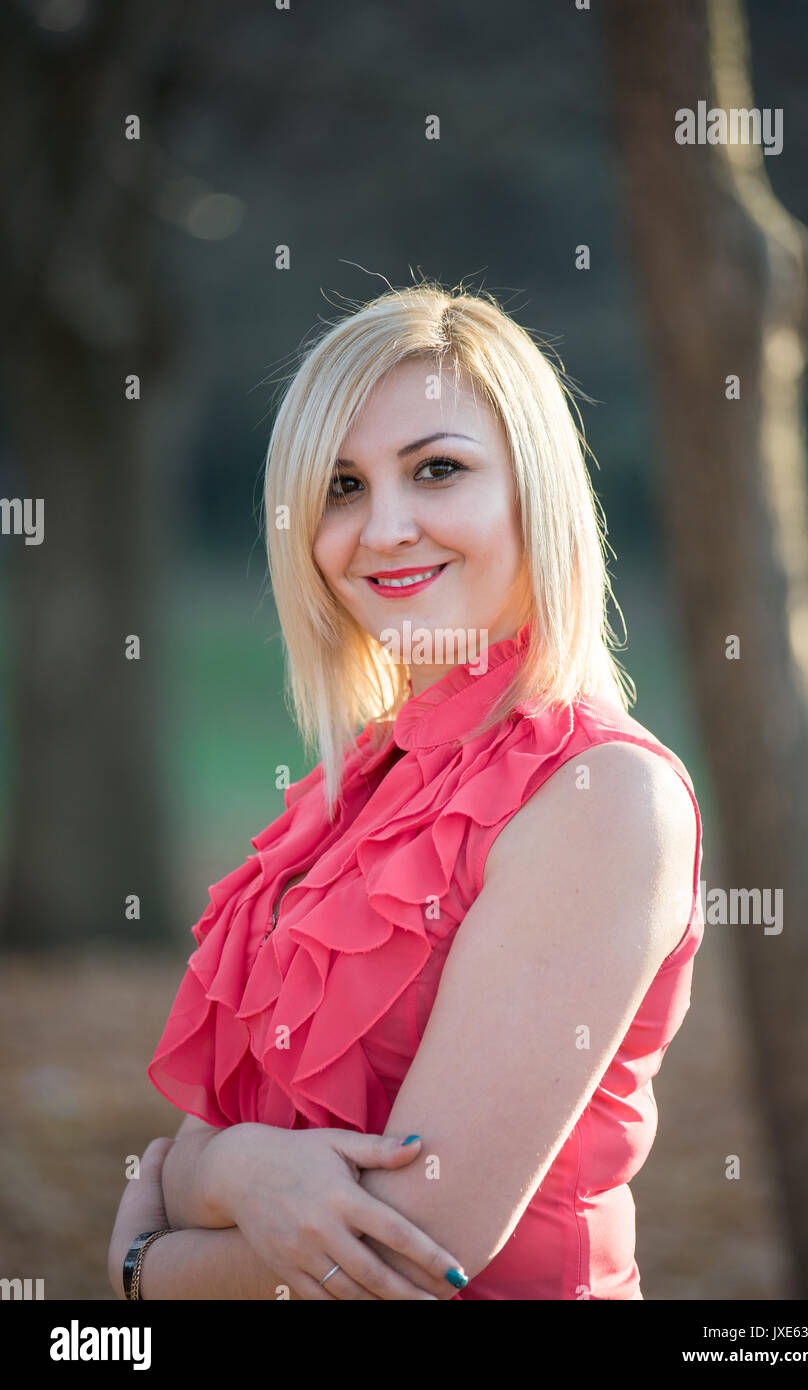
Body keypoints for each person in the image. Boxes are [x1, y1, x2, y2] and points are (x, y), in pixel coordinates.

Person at [108, 281, 703, 1300]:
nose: (383, 528)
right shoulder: (353, 790)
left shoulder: (601, 795)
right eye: (340, 486)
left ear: (535, 491)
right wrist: (239, 1167)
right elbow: (196, 1147)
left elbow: (412, 1257)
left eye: (438, 470)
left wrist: (143, 1269)